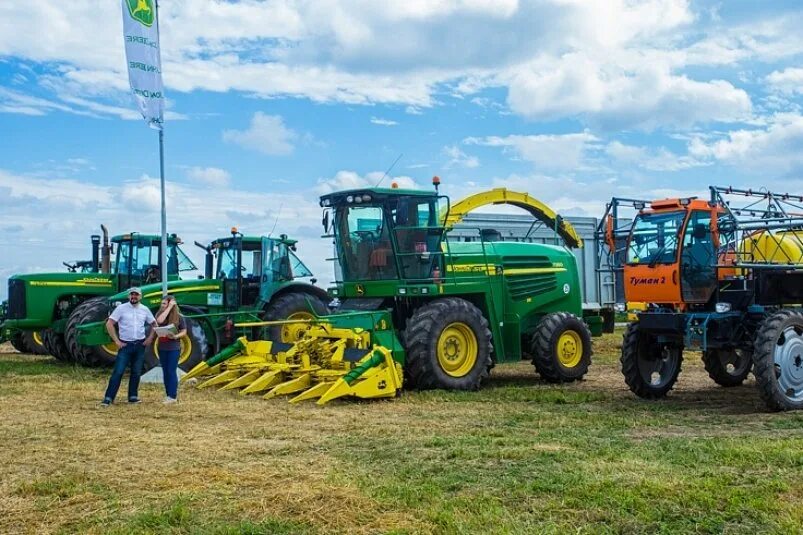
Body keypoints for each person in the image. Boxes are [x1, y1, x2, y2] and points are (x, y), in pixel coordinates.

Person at [101, 287, 157, 406]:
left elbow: (154, 324)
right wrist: (116, 340)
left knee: (136, 372)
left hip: (140, 345)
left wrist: (150, 338)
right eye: (132, 295)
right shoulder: (121, 308)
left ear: (140, 297)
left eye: (136, 295)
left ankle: (133, 396)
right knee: (118, 371)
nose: (134, 297)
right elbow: (109, 323)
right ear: (128, 296)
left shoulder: (145, 309)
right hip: (125, 345)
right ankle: (108, 397)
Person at [154, 295, 187, 404]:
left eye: (164, 303)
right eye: (162, 303)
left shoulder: (179, 317)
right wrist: (168, 308)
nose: (162, 305)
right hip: (162, 347)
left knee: (171, 371)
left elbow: (184, 331)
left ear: (171, 304)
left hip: (174, 348)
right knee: (165, 371)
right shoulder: (160, 314)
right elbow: (159, 320)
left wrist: (176, 336)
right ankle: (168, 394)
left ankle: (172, 396)